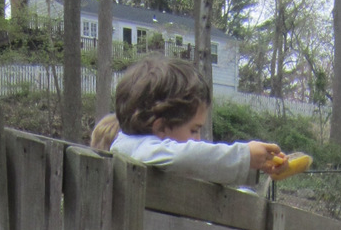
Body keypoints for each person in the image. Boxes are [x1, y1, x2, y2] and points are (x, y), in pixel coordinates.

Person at [110, 57, 287, 186]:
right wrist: (244, 156)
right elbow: (186, 156)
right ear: (161, 127)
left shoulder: (136, 150)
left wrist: (258, 164)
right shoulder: (141, 150)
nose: (198, 140)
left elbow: (199, 166)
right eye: (194, 130)